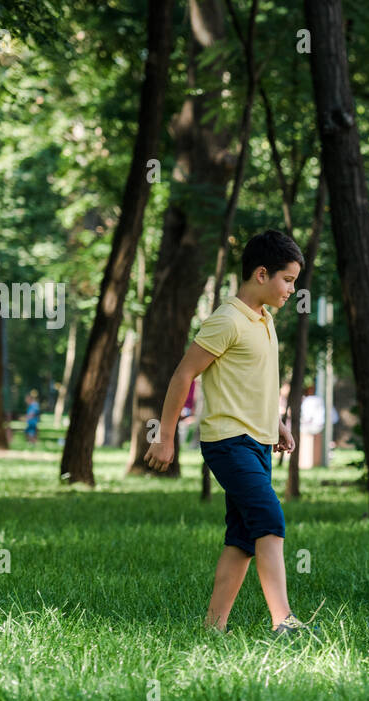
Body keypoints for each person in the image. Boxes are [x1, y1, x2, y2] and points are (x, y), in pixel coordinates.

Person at [144, 230, 314, 637]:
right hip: (227, 442)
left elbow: (255, 382)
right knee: (270, 520)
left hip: (256, 442)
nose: (292, 289)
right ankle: (284, 622)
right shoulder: (227, 320)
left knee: (241, 539)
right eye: (287, 280)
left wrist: (277, 423)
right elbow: (184, 374)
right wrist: (165, 437)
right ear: (261, 274)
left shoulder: (264, 320)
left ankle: (212, 628)